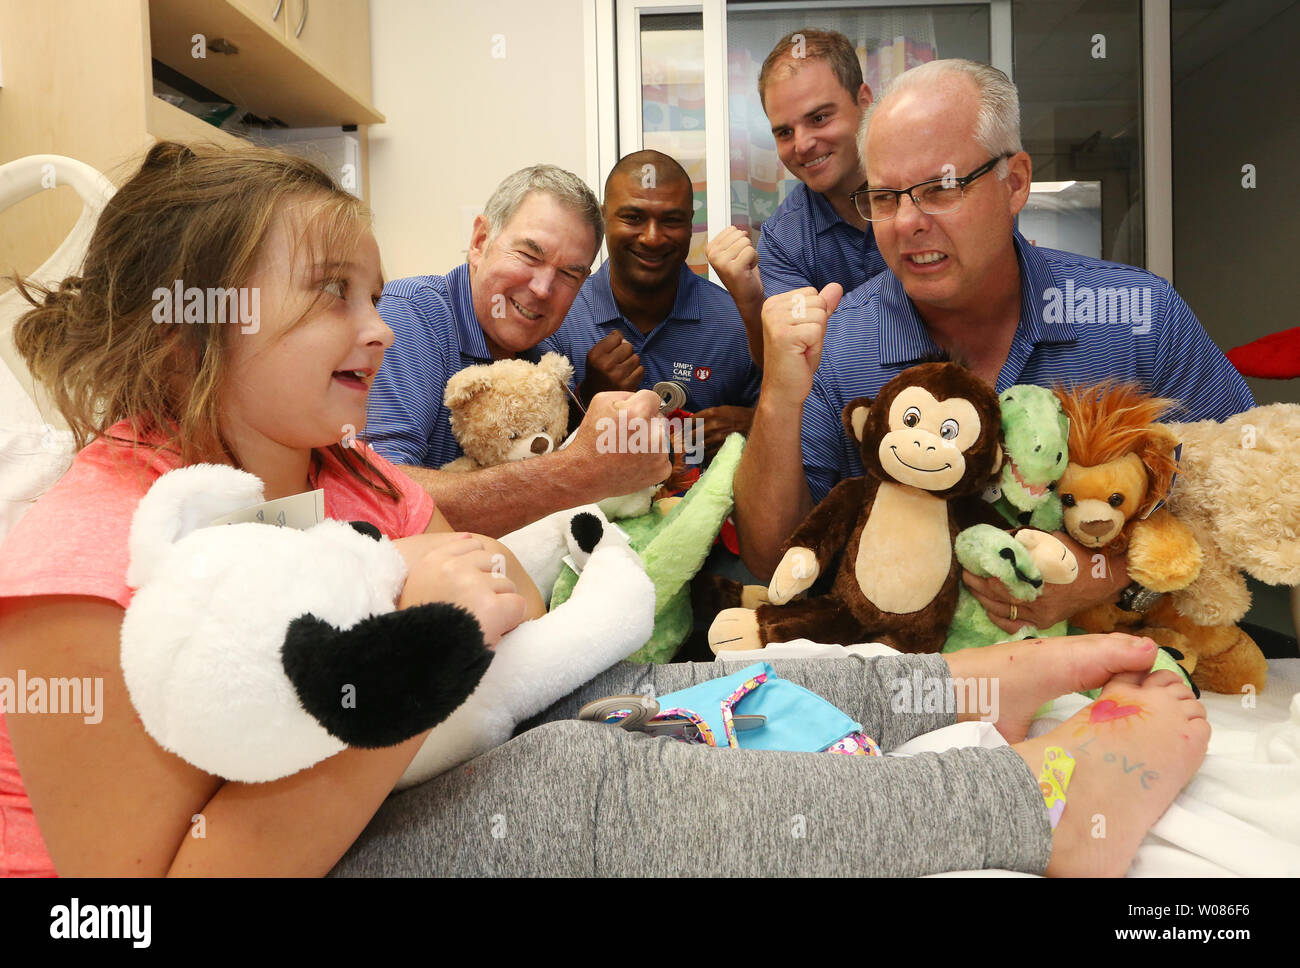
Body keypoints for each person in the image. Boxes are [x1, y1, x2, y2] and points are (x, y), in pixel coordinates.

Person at [0, 142, 1209, 880]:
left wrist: (490, 604)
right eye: (332, 295)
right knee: (573, 777)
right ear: (191, 325)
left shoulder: (343, 471)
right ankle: (1032, 802)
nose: (380, 328)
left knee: (628, 685)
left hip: (380, 773)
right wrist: (415, 660)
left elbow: (494, 620)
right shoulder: (85, 562)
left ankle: (947, 691)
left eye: (374, 292)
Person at [733, 59, 1255, 641]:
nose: (906, 223)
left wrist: (1108, 574)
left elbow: (1250, 489)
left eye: (941, 188)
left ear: (1016, 182)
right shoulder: (843, 341)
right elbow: (773, 559)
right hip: (913, 683)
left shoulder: (1135, 318)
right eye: (883, 197)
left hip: (1115, 673)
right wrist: (779, 394)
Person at [363, 165, 671, 537]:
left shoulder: (549, 354)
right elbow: (377, 497)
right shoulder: (410, 316)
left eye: (569, 274)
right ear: (480, 242)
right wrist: (578, 472)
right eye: (529, 255)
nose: (542, 288)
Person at [543, 150, 759, 464]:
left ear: (690, 224)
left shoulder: (737, 323)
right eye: (633, 218)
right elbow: (527, 450)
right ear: (604, 219)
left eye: (671, 220)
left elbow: (799, 429)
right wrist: (589, 398)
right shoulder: (557, 317)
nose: (652, 238)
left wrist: (751, 425)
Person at [708, 29, 888, 365]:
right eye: (784, 132)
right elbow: (790, 364)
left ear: (864, 101)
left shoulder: (925, 194)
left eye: (819, 118)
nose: (802, 145)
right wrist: (751, 304)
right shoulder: (783, 239)